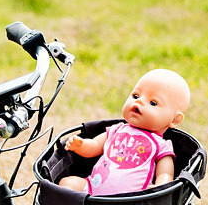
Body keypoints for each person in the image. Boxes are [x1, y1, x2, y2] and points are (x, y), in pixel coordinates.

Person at [56, 69, 190, 194]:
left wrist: (161, 186)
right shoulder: (117, 129)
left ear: (174, 120)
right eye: (135, 95)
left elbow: (165, 174)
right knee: (67, 182)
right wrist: (80, 145)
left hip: (129, 202)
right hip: (91, 189)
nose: (140, 101)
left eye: (153, 103)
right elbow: (95, 146)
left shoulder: (161, 145)